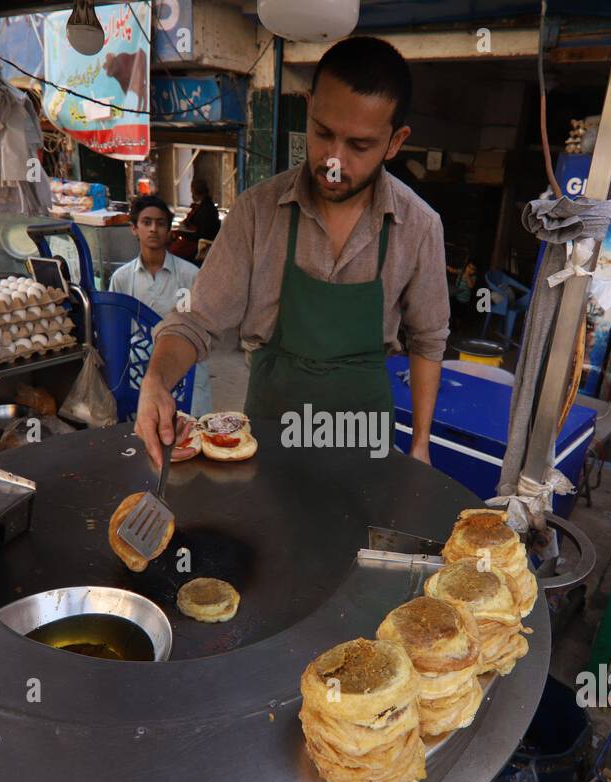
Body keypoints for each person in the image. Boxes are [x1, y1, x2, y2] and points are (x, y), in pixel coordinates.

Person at [135, 35, 448, 468]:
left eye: (359, 146)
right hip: (269, 436)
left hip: (365, 442)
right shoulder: (258, 212)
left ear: (395, 142)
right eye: (322, 133)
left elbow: (429, 342)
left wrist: (420, 445)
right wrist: (156, 380)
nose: (333, 160)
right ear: (308, 108)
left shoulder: (419, 226)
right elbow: (194, 320)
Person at [109, 194, 212, 415]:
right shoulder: (122, 278)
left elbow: (195, 325)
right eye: (146, 222)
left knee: (190, 431)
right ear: (134, 229)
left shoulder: (189, 275)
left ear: (169, 230)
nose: (153, 229)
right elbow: (117, 331)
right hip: (138, 372)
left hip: (184, 367)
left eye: (160, 223)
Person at [169, 177, 220, 261]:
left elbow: (202, 233)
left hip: (200, 244)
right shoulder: (202, 206)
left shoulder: (207, 209)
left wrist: (181, 233)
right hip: (196, 239)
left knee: (173, 252)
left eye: (192, 192)